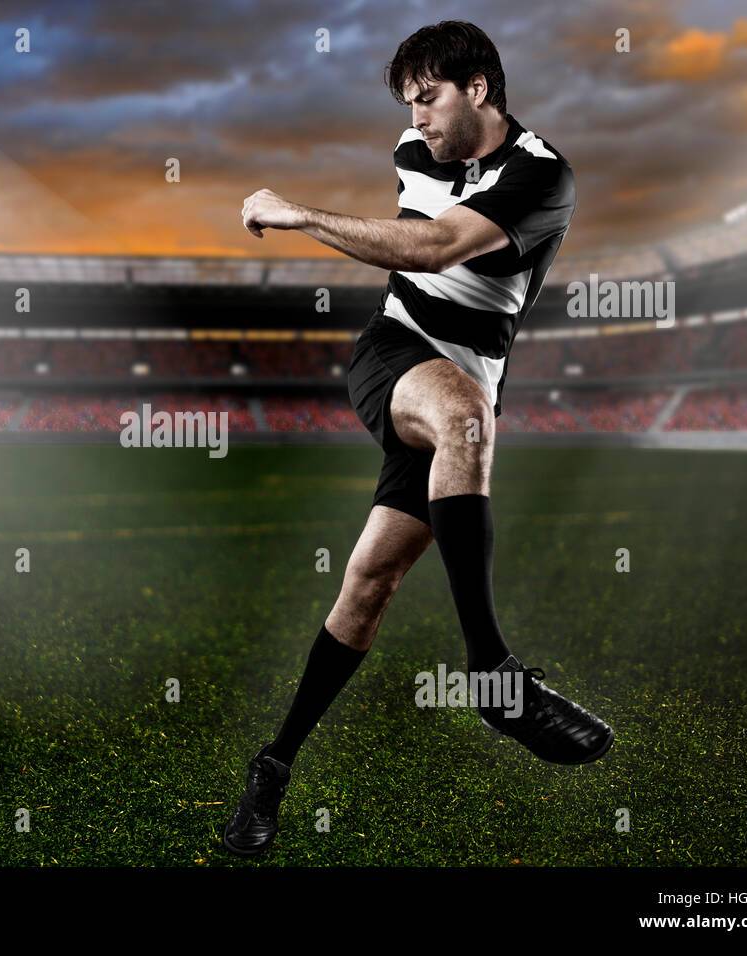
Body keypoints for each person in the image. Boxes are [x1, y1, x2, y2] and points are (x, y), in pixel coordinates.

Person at [224, 20, 613, 858]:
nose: (416, 118)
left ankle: (272, 767)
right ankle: (495, 680)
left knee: (366, 587)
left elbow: (438, 247)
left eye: (429, 96)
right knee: (467, 415)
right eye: (407, 102)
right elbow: (414, 247)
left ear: (479, 89)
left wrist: (297, 214)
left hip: (464, 376)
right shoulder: (414, 146)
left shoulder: (543, 177)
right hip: (395, 358)